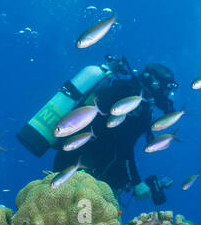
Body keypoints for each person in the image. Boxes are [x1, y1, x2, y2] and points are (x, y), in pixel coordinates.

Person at [51, 57, 178, 204]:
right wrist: (136, 182)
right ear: (155, 84)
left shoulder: (129, 94)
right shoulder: (133, 103)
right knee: (67, 208)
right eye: (166, 88)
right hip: (81, 162)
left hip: (80, 158)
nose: (167, 94)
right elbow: (124, 144)